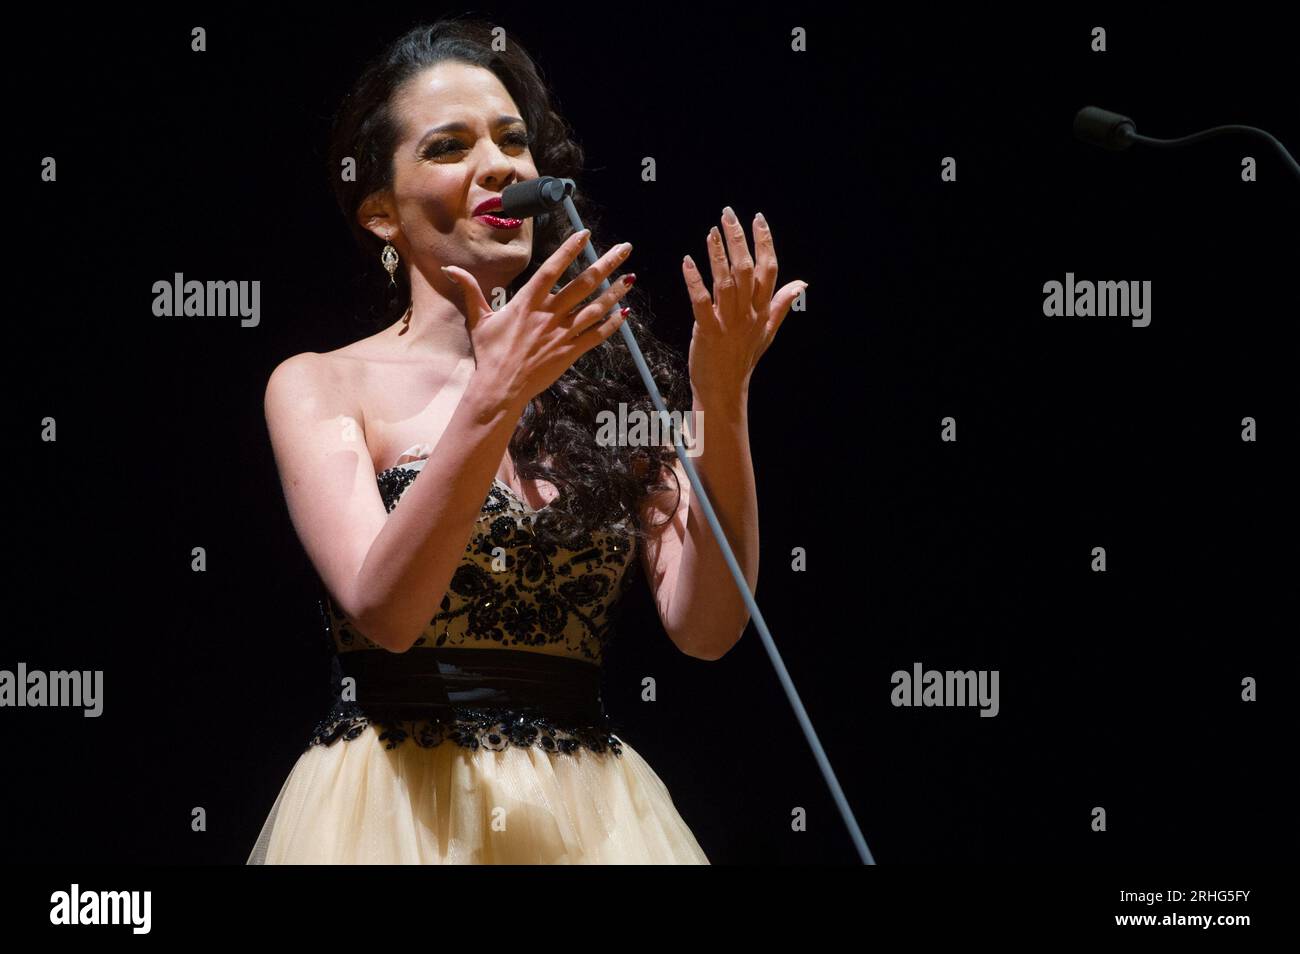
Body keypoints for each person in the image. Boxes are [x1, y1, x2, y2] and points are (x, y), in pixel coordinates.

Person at [247, 18, 803, 864]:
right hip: (394, 813)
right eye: (448, 146)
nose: (500, 164)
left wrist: (721, 399)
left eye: (514, 140)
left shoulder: (611, 382)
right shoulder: (320, 385)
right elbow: (388, 613)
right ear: (381, 213)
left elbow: (707, 627)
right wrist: (495, 394)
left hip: (594, 817)